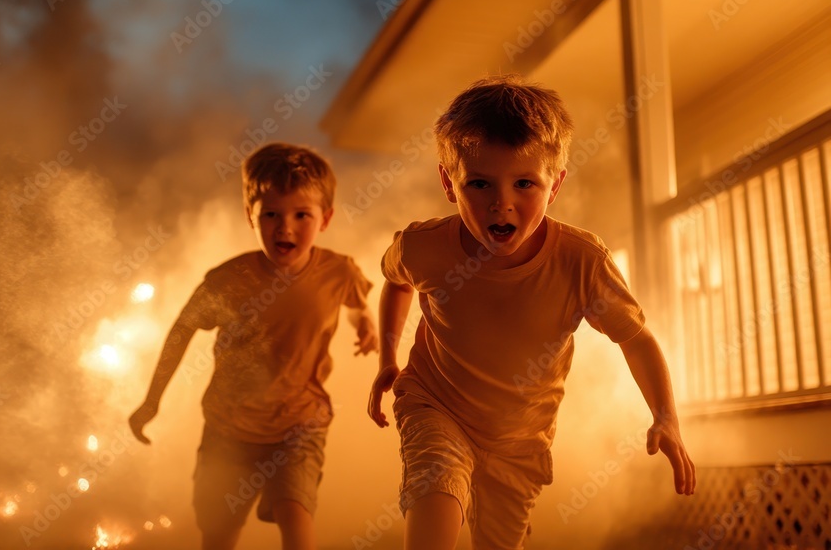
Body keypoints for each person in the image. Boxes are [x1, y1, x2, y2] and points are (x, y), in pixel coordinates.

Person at [367, 75, 696, 550]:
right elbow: (397, 282)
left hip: (521, 440)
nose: (502, 203)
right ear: (448, 183)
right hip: (436, 407)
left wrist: (666, 416)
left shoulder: (582, 262)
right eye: (479, 183)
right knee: (435, 495)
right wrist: (387, 358)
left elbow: (636, 338)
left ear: (554, 185)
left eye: (524, 183)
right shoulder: (423, 246)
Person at [130, 143, 377, 550]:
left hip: (300, 423)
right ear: (250, 216)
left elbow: (355, 303)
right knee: (219, 535)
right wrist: (152, 400)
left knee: (296, 516)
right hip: (228, 430)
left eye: (301, 215)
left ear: (326, 218)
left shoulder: (338, 271)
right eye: (271, 214)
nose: (285, 228)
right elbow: (180, 333)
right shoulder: (228, 281)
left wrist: (365, 322)